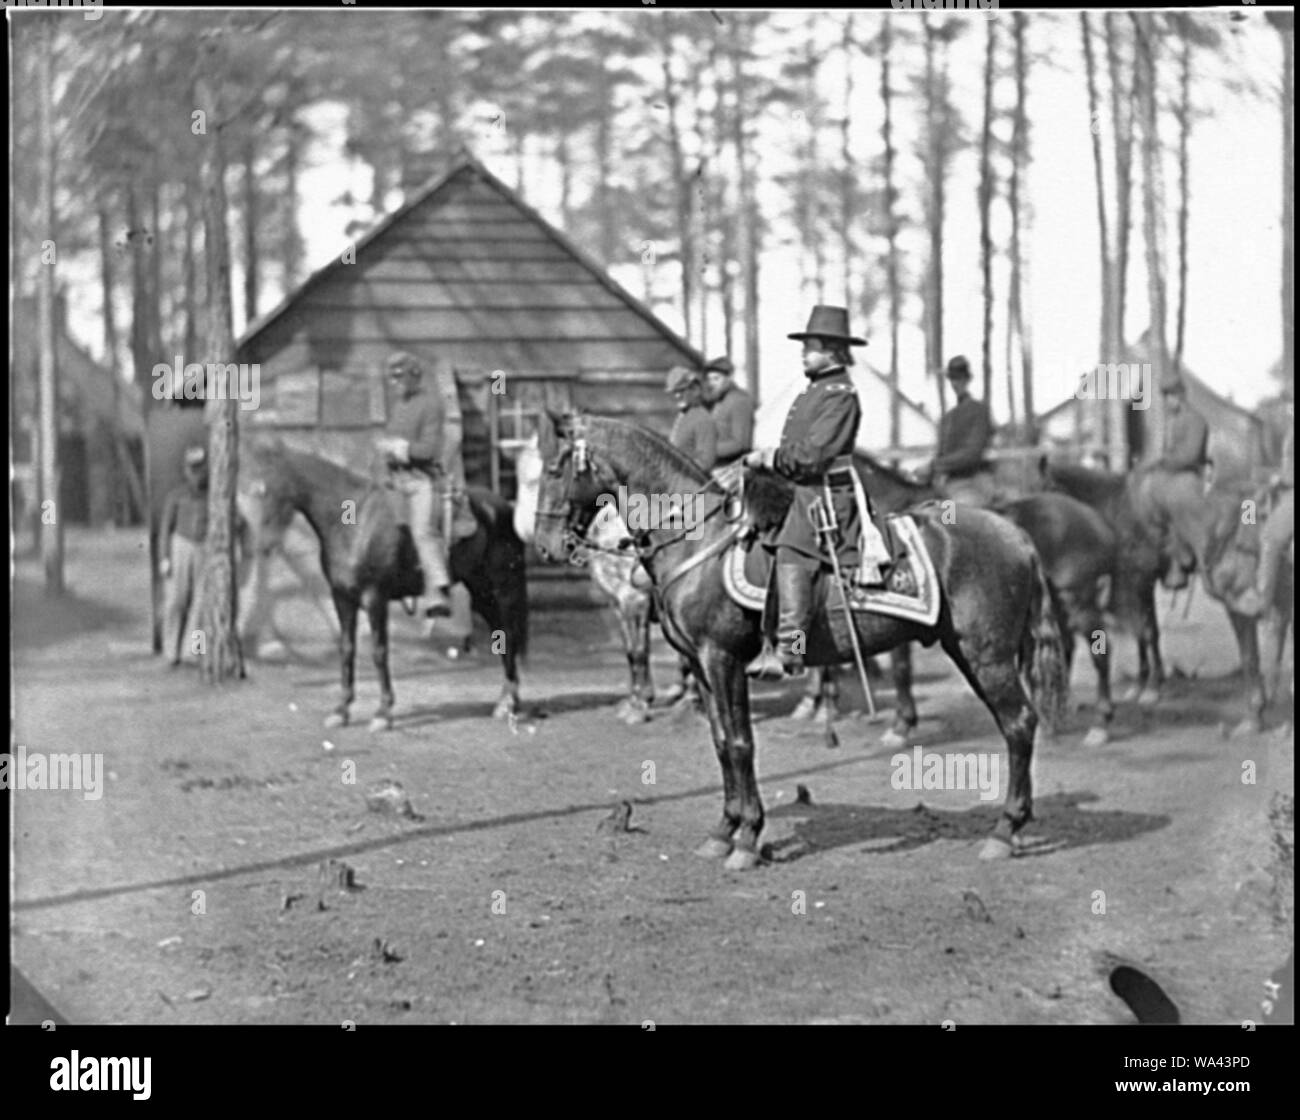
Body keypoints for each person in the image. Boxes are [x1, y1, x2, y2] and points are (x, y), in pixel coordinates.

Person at [742, 305, 889, 681]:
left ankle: (793, 649)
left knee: (794, 545)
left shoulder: (840, 395)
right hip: (804, 489)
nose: (804, 353)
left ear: (835, 352)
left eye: (812, 347)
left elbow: (813, 455)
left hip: (825, 495)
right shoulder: (816, 390)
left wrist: (771, 458)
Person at [375, 350, 453, 625]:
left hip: (421, 480)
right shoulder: (399, 408)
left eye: (399, 378)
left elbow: (429, 450)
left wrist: (401, 449)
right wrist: (385, 456)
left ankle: (438, 591)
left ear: (413, 377)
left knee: (423, 531)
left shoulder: (431, 405)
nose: (395, 384)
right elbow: (390, 444)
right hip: (396, 481)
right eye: (392, 379)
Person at [1147, 372, 1210, 589]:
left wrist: (1163, 462)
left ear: (1181, 396)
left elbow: (1190, 456)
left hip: (1190, 475)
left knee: (1175, 498)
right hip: (1174, 474)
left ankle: (1189, 557)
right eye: (1166, 398)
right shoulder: (1172, 422)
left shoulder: (1196, 420)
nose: (1168, 402)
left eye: (1171, 397)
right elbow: (1170, 453)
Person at [159, 444, 212, 666]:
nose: (196, 475)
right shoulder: (177, 497)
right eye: (192, 469)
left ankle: (194, 652)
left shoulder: (212, 497)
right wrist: (165, 558)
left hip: (203, 548)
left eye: (200, 469)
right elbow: (165, 529)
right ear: (185, 470)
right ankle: (171, 652)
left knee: (200, 604)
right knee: (175, 601)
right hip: (180, 546)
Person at [1236, 423, 1293, 617]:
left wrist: (1275, 479)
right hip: (1284, 490)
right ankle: (1248, 572)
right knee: (1248, 505)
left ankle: (1263, 599)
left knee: (1270, 537)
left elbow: (1289, 474)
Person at [929, 355, 996, 506]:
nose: (956, 384)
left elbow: (972, 454)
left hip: (974, 483)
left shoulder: (979, 411)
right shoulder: (947, 418)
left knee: (954, 517)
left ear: (967, 380)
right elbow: (941, 452)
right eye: (953, 379)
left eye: (959, 379)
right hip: (948, 486)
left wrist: (935, 465)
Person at [703, 356, 756, 467]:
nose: (711, 383)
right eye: (709, 379)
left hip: (733, 469)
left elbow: (740, 444)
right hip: (717, 465)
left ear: (729, 378)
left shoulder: (740, 401)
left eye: (716, 378)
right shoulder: (719, 401)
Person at [666, 365, 718, 472]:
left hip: (691, 484)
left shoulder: (703, 419)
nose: (677, 396)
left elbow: (705, 462)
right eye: (674, 392)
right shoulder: (683, 415)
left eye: (681, 390)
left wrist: (676, 469)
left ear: (696, 390)